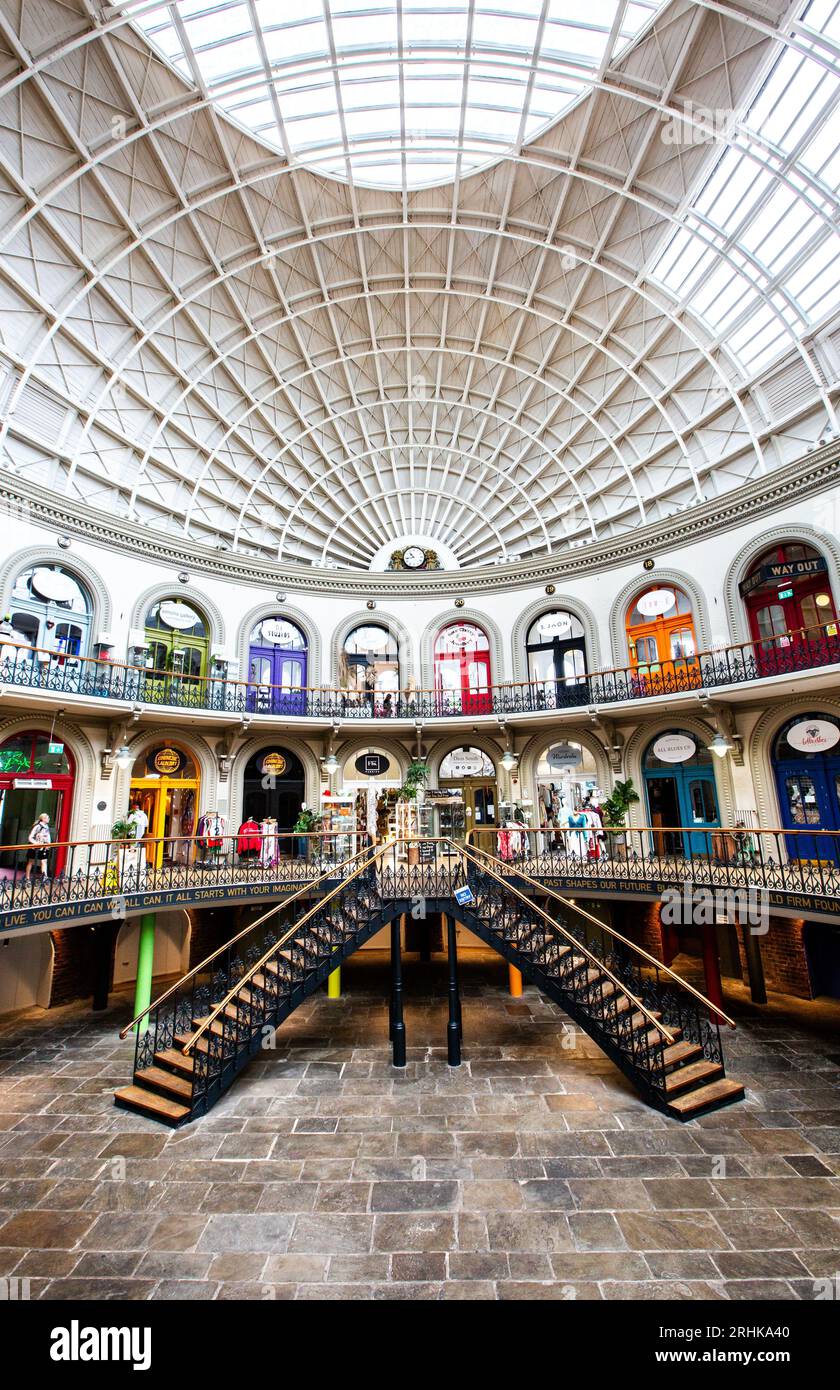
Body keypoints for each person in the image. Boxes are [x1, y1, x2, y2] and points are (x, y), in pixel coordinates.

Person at [25, 812, 51, 881]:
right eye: (47, 818)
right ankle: (27, 877)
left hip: (43, 847)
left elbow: (48, 837)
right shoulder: (37, 826)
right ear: (43, 819)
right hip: (35, 847)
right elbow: (30, 837)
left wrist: (49, 844)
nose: (49, 819)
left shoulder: (47, 827)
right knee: (31, 861)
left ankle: (44, 877)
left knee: (44, 861)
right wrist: (36, 843)